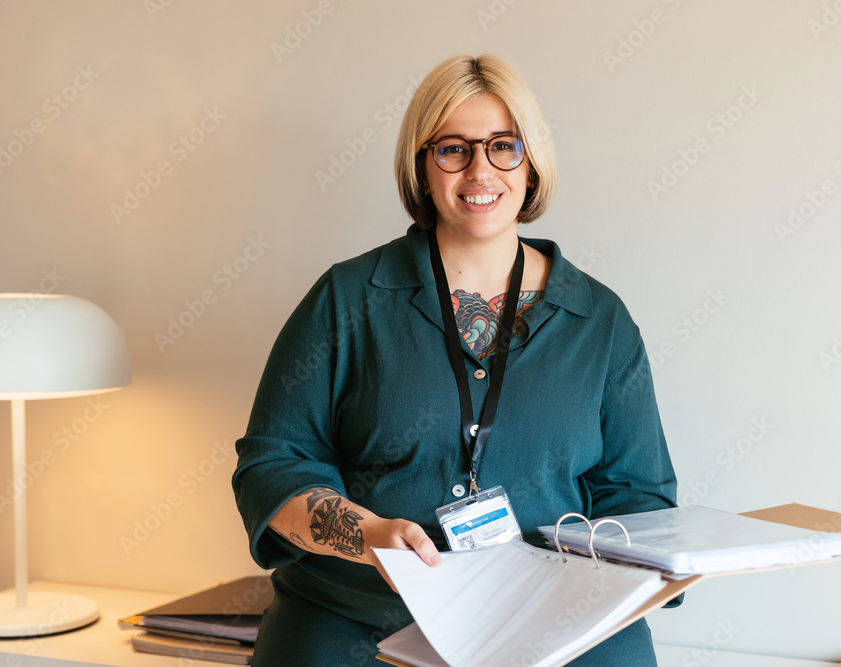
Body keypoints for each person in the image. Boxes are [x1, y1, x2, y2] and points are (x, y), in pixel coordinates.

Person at [232, 54, 679, 666]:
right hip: (359, 625)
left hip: (557, 629)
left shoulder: (599, 321)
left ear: (532, 161)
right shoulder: (345, 300)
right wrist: (367, 537)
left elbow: (638, 499)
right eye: (453, 149)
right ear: (422, 164)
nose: (480, 170)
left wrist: (585, 592)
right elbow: (272, 466)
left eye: (504, 146)